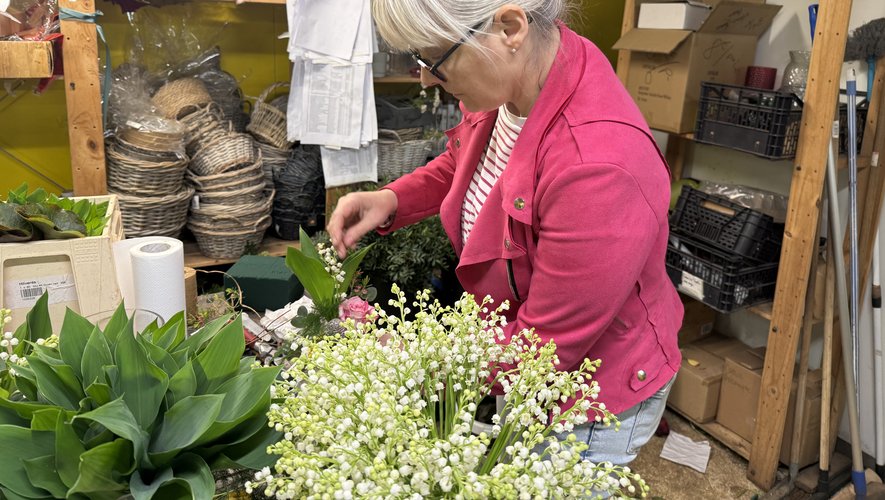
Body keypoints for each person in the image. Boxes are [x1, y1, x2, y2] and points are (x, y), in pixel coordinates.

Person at [327, 0, 683, 466]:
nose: (426, 79)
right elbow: (473, 163)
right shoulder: (523, 75)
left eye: (433, 61)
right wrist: (393, 199)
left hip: (588, 392)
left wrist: (415, 356)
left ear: (510, 27)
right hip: (516, 353)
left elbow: (545, 349)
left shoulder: (598, 167)